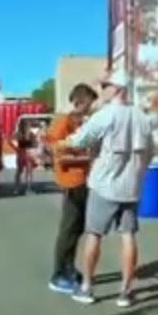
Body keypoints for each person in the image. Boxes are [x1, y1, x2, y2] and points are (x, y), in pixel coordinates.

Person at [66, 70, 155, 308]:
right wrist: (138, 173)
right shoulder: (142, 117)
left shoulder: (105, 115)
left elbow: (79, 141)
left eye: (107, 86)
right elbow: (150, 152)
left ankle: (87, 286)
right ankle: (125, 291)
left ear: (117, 89)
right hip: (131, 186)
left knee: (94, 234)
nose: (103, 90)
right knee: (128, 236)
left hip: (104, 184)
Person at [45, 83, 98, 295]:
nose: (90, 108)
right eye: (88, 104)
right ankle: (58, 274)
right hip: (71, 182)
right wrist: (89, 158)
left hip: (83, 181)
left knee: (77, 229)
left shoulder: (79, 124)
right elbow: (60, 156)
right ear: (78, 102)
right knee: (68, 230)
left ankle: (69, 267)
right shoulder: (62, 123)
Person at [13, 120, 37, 194]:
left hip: (21, 154)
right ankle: (28, 189)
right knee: (29, 172)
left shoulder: (17, 134)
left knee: (19, 172)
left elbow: (10, 141)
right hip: (29, 154)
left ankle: (16, 189)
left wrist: (17, 149)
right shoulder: (31, 134)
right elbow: (35, 145)